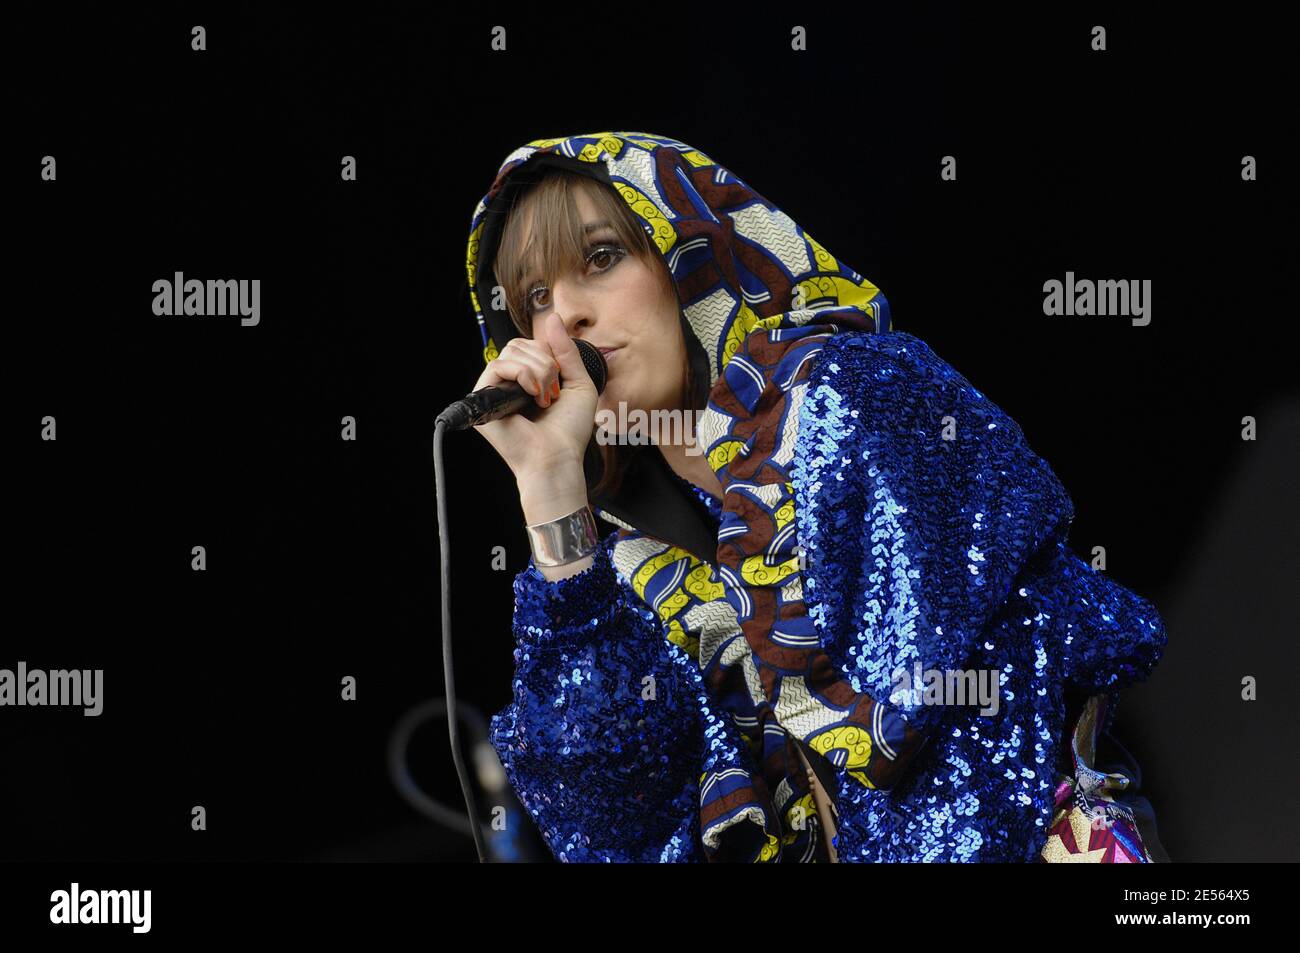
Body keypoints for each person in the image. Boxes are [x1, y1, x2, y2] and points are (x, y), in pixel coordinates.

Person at [463, 131, 1169, 862]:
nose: (565, 316)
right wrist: (550, 492)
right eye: (534, 298)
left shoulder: (854, 395)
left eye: (602, 258)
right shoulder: (633, 566)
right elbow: (610, 825)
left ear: (693, 255)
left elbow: (951, 755)